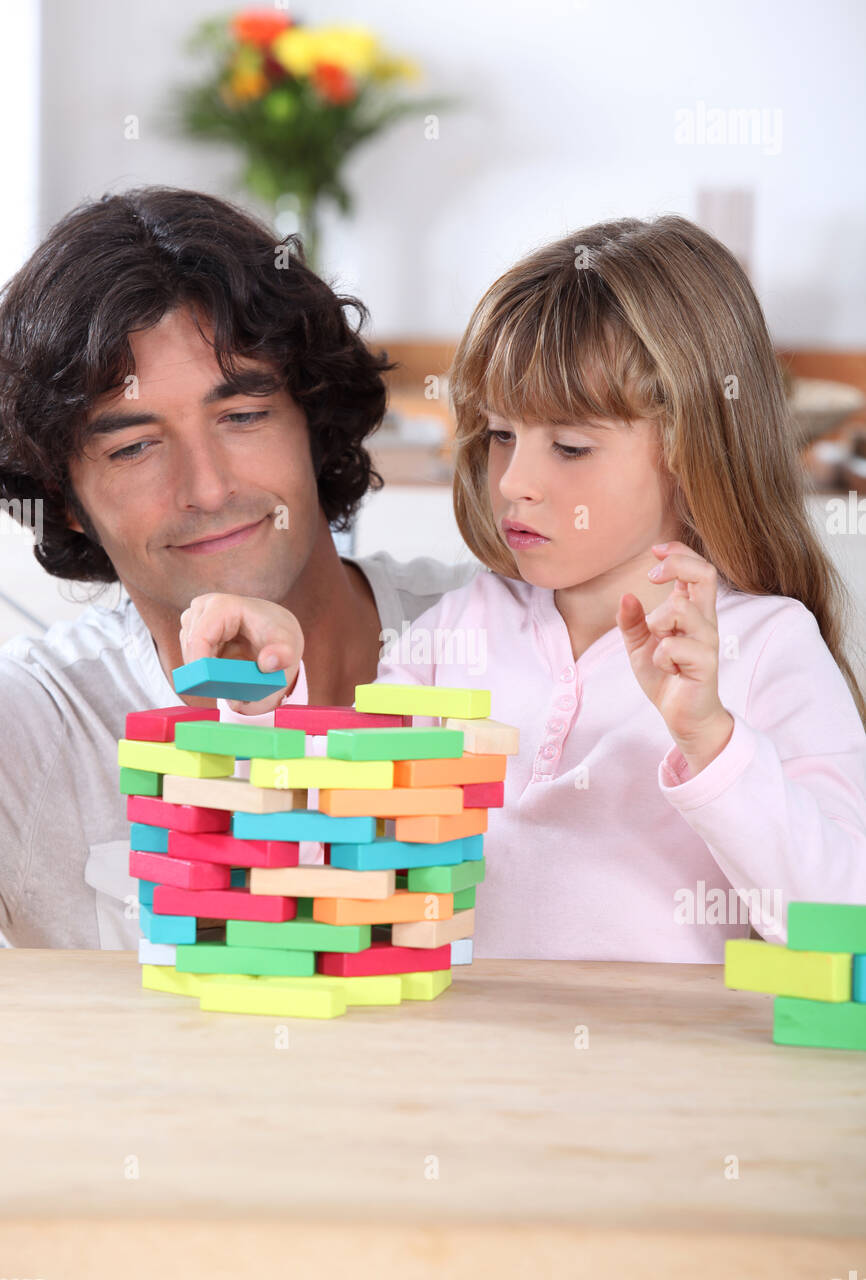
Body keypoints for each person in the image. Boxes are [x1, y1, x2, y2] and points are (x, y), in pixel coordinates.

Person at [193, 215, 866, 960]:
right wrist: (257, 710)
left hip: (660, 1071)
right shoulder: (458, 629)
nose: (514, 482)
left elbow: (840, 917)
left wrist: (709, 738)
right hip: (464, 1064)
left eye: (570, 447)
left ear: (690, 446)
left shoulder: (769, 648)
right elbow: (331, 866)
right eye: (502, 435)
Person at [0, 187, 477, 947]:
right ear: (64, 500)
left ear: (314, 420)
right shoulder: (32, 727)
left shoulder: (508, 638)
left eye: (244, 416)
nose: (209, 488)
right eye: (133, 447)